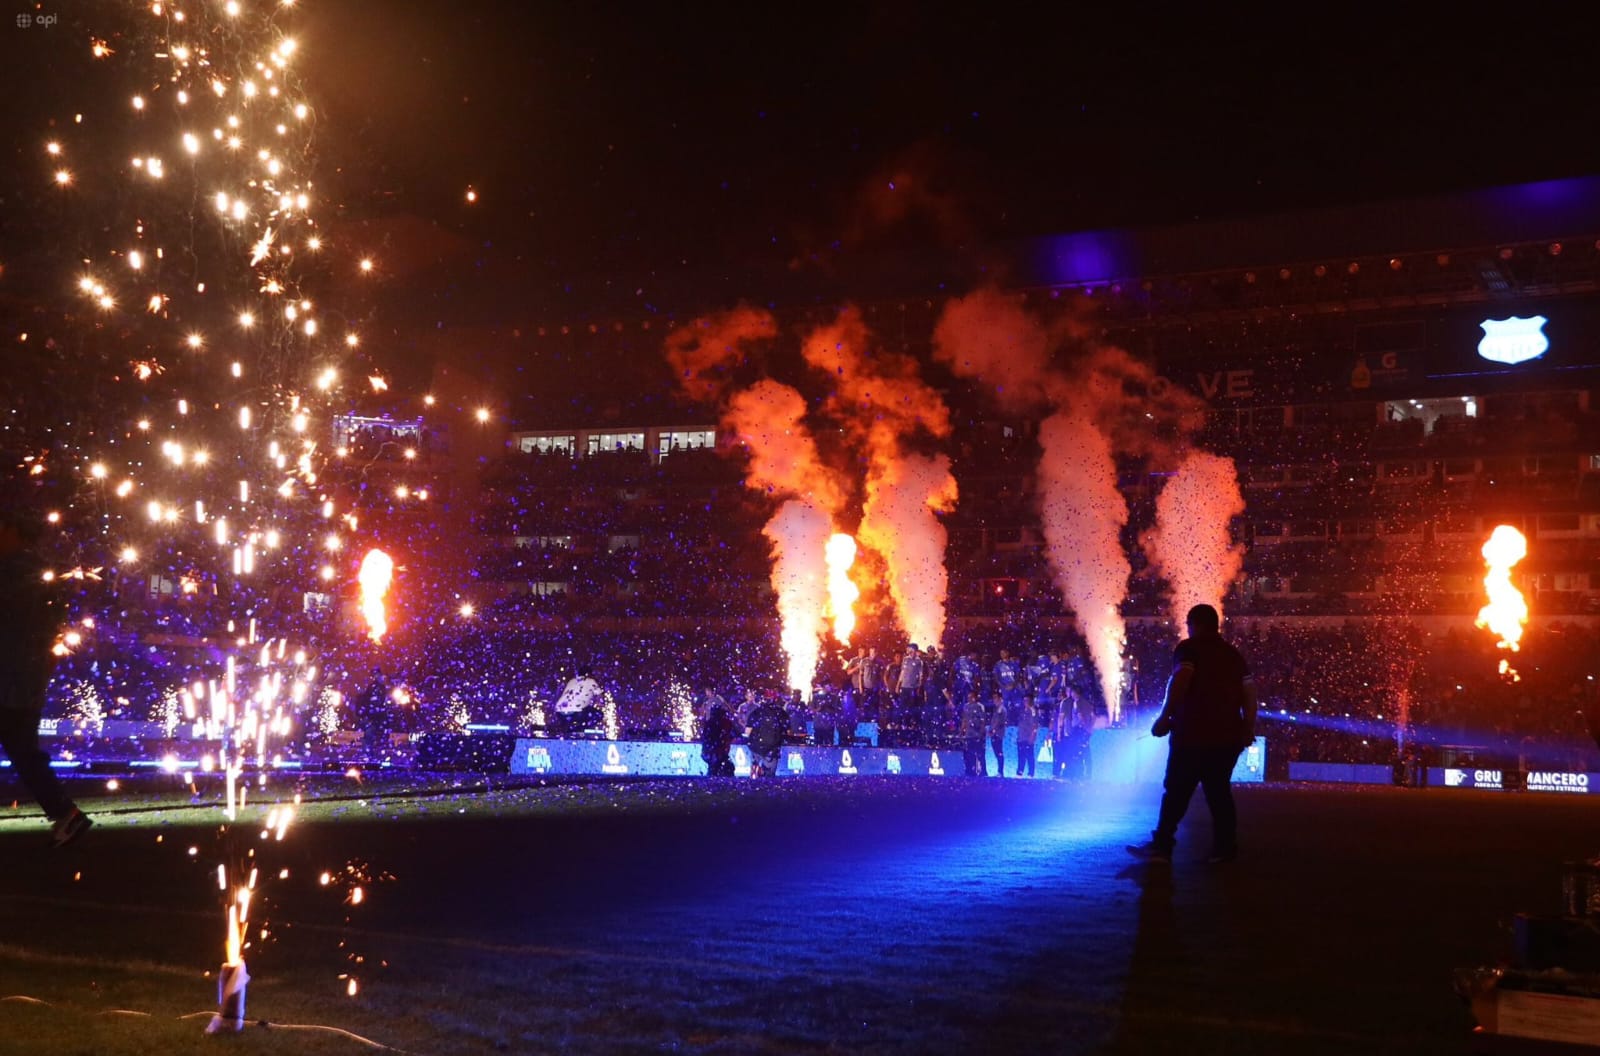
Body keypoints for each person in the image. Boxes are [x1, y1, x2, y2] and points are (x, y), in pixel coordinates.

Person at [1129, 604, 1258, 865]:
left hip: (1193, 733)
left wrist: (1165, 717)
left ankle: (1162, 847)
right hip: (1227, 737)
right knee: (1219, 793)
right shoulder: (1234, 656)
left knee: (1176, 791)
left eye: (1189, 623)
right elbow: (1250, 695)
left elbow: (1181, 679)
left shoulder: (1188, 649)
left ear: (1195, 624)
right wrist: (1247, 728)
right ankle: (1225, 850)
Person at [0, 501, 91, 847]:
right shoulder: (37, 572)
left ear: (13, 531)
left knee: (25, 753)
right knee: (25, 753)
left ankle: (67, 815)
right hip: (24, 681)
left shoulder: (15, 572)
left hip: (10, 681)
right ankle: (67, 815)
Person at [745, 692, 788, 778]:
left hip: (756, 747)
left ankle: (753, 784)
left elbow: (747, 732)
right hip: (773, 748)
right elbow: (788, 731)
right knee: (769, 776)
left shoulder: (756, 712)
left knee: (755, 776)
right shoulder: (781, 713)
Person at [552, 667, 604, 736]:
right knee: (598, 714)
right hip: (576, 713)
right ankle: (579, 730)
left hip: (559, 712)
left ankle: (567, 730)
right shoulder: (591, 681)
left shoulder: (572, 681)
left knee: (571, 718)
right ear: (588, 674)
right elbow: (600, 700)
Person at [700, 690, 736, 777]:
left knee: (714, 768)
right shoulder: (725, 723)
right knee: (717, 767)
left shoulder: (710, 724)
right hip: (718, 752)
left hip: (711, 752)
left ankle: (712, 776)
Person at [959, 688, 988, 777]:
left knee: (980, 754)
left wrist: (981, 732)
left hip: (977, 734)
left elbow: (983, 720)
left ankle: (983, 772)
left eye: (971, 697)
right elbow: (964, 719)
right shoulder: (966, 707)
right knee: (970, 754)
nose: (969, 698)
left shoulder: (980, 707)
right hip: (969, 734)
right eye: (968, 697)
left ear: (975, 697)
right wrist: (961, 730)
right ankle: (971, 771)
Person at [1016, 691, 1040, 778]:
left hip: (1028, 737)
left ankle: (1031, 773)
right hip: (1021, 737)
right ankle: (1020, 772)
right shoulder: (1022, 711)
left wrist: (1032, 736)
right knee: (1021, 755)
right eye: (1024, 700)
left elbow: (1035, 725)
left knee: (1029, 755)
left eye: (1027, 700)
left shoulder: (1033, 711)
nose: (1025, 702)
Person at [987, 689, 1009, 778]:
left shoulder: (1002, 709)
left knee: (999, 752)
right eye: (993, 698)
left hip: (998, 734)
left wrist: (993, 731)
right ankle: (999, 771)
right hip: (994, 734)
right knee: (997, 752)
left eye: (996, 698)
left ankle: (1001, 771)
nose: (994, 700)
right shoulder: (996, 709)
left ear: (1000, 699)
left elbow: (1000, 722)